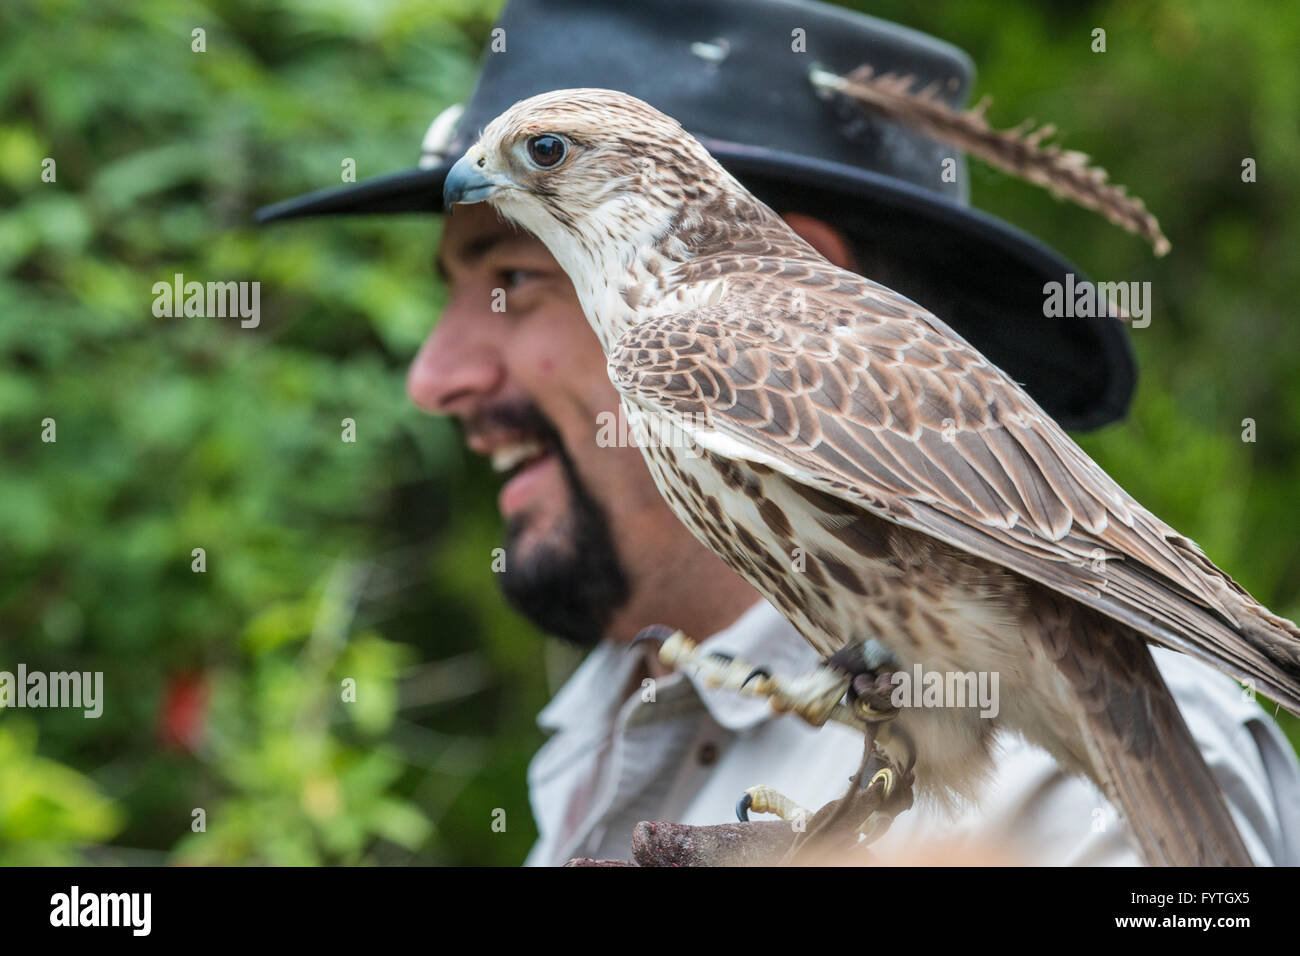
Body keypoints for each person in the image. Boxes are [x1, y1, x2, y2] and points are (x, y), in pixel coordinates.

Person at [258, 0, 1300, 865]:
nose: (434, 375)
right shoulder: (598, 739)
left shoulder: (708, 324)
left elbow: (1050, 571)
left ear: (809, 279)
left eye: (510, 280)